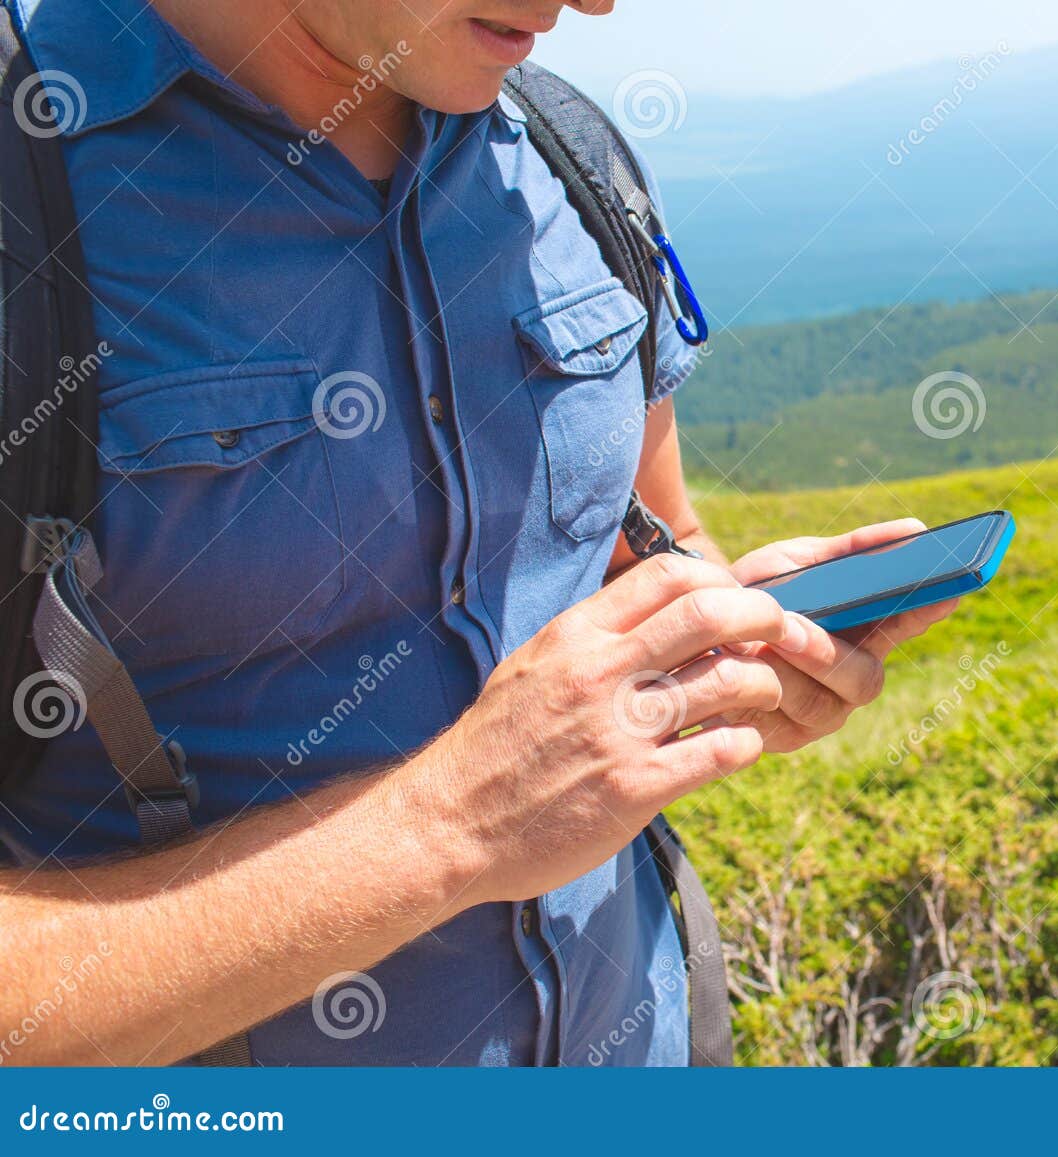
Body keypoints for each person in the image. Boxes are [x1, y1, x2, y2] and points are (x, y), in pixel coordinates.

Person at [0, 0, 955, 1066]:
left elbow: (646, 539)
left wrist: (721, 629)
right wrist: (451, 825)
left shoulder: (563, 149)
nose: (595, 3)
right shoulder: (25, 188)